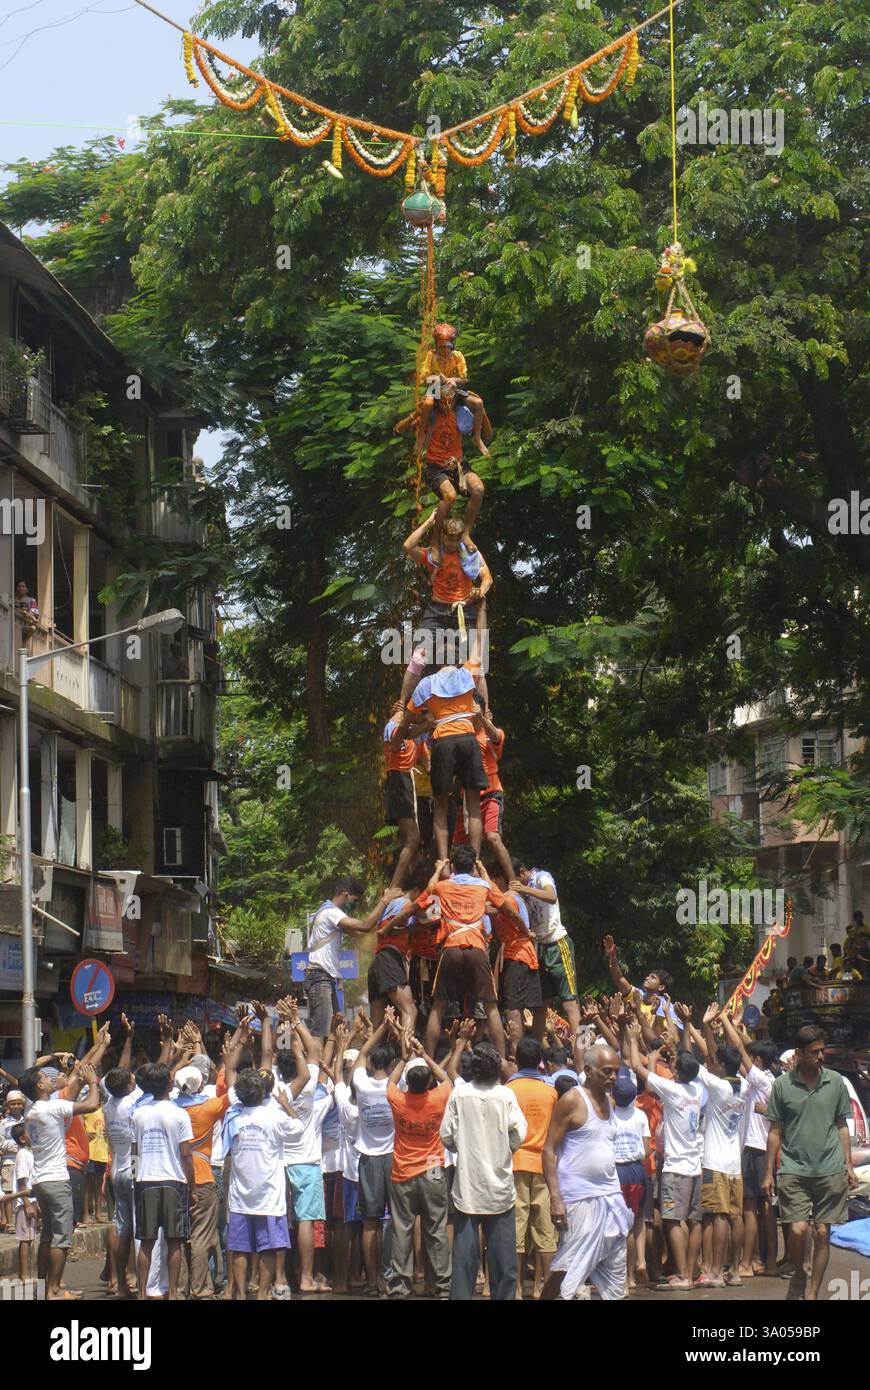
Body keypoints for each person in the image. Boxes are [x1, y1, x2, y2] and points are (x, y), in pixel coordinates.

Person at [389, 848, 521, 1058]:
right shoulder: (485, 886)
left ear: (453, 866)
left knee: (438, 1007)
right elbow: (509, 910)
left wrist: (439, 869)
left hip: (451, 948)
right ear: (473, 866)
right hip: (476, 948)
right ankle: (503, 1060)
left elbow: (415, 906)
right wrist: (526, 929)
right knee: (491, 1007)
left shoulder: (441, 886)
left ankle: (428, 1059)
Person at [762, 1024, 859, 1300]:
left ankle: (812, 1293)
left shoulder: (835, 1082)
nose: (820, 1056)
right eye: (814, 1052)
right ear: (800, 1053)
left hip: (829, 1169)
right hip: (793, 1168)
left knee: (822, 1233)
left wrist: (848, 1165)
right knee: (798, 1228)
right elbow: (775, 1131)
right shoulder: (782, 1086)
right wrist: (769, 1172)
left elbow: (841, 1125)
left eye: (822, 1050)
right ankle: (799, 1273)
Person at [541, 1043, 632, 1301]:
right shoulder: (572, 1100)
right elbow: (549, 1150)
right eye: (607, 1072)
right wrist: (556, 1198)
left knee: (616, 1272)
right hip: (579, 1199)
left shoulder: (611, 1102)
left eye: (616, 1071)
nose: (613, 1077)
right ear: (589, 1071)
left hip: (611, 1197)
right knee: (568, 1268)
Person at [440, 1040, 527, 1300]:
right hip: (500, 1190)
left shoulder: (459, 1093)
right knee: (504, 1266)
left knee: (464, 1265)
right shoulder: (506, 1095)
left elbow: (446, 1136)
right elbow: (519, 1135)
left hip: (468, 1188)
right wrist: (501, 1149)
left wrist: (466, 1147)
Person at [386, 1025, 463, 1299]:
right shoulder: (438, 1097)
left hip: (402, 1172)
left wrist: (406, 1058)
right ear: (428, 1080)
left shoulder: (397, 1099)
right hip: (432, 1170)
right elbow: (448, 1081)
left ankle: (400, 1286)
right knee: (436, 1229)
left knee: (401, 1230)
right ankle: (443, 1285)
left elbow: (390, 1082)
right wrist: (426, 1057)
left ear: (409, 1080)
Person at [626, 1021, 704, 1290]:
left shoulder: (673, 1090)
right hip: (695, 1167)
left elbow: (639, 1070)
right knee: (694, 1221)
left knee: (671, 1220)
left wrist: (640, 1046)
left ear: (678, 1072)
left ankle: (683, 1276)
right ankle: (690, 1273)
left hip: (676, 1167)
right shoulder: (697, 1089)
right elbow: (689, 1060)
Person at [20, 1060, 100, 1300]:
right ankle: (54, 1289)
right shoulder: (51, 1108)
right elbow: (92, 1104)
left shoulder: (31, 1112)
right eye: (45, 1077)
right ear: (39, 1085)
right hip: (56, 1178)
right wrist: (93, 1082)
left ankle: (46, 1287)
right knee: (62, 1238)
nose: (49, 1080)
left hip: (41, 1180)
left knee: (48, 1235)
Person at [222, 1068, 303, 1301]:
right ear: (263, 1093)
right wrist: (286, 1104)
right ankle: (262, 1293)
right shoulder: (274, 1116)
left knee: (240, 1247)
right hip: (268, 1196)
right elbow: (297, 1129)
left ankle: (239, 1293)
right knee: (267, 1247)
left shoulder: (232, 1116)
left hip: (240, 1197)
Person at [272, 999, 334, 1295]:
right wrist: (295, 1020)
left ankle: (280, 1277)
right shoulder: (307, 1086)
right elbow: (316, 1052)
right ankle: (307, 1277)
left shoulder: (272, 1087)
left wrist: (280, 1026)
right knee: (306, 1221)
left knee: (280, 1220)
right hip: (307, 1163)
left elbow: (269, 1054)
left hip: (279, 1164)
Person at [399, 513, 492, 709]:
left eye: (457, 539)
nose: (454, 543)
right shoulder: (435, 555)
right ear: (443, 536)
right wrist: (429, 522)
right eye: (450, 539)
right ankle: (401, 706)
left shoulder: (470, 554)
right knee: (419, 656)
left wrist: (479, 593)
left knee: (476, 662)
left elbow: (487, 579)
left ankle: (485, 713)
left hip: (464, 611)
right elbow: (408, 546)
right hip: (437, 610)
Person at [718, 1011, 779, 1277]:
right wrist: (735, 1028)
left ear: (759, 1062)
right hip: (756, 1150)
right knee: (756, 1209)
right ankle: (757, 1259)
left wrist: (724, 1021)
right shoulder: (766, 1080)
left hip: (756, 1151)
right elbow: (745, 1050)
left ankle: (749, 1261)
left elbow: (741, 1051)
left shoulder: (763, 1080)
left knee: (750, 1209)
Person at [130, 1061, 197, 1300]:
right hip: (173, 1182)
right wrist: (193, 1186)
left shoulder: (138, 1114)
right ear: (170, 1084)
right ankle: (174, 1294)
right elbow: (186, 1154)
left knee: (146, 1242)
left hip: (145, 1181)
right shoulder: (179, 1114)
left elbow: (134, 1151)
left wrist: (135, 1178)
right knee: (174, 1241)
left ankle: (141, 1293)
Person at [695, 1005, 747, 1288]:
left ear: (722, 1066)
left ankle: (714, 1271)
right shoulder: (743, 1086)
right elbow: (720, 1056)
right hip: (734, 1166)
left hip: (715, 1163)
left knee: (717, 1218)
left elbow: (708, 1055)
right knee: (734, 1217)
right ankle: (735, 1271)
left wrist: (704, 1027)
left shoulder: (719, 1087)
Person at [305, 878, 395, 1037]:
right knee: (322, 1031)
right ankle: (314, 1061)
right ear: (345, 895)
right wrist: (385, 901)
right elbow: (364, 926)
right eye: (354, 900)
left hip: (325, 978)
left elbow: (361, 933)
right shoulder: (331, 912)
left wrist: (387, 925)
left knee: (335, 1030)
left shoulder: (328, 913)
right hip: (320, 977)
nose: (354, 905)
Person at [506, 1037, 558, 1299]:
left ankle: (516, 1290)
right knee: (545, 1230)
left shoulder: (508, 1089)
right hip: (544, 1167)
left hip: (514, 1164)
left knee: (516, 1229)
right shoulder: (551, 1091)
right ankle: (545, 1288)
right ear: (540, 1061)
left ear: (516, 1057)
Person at [352, 1013, 398, 1295]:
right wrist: (393, 1027)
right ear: (391, 1065)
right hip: (394, 1158)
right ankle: (392, 1278)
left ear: (370, 1064)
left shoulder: (361, 1084)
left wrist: (380, 1026)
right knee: (396, 1220)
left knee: (370, 1222)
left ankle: (372, 1281)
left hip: (368, 1159)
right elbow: (405, 1059)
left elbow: (362, 1052)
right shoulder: (395, 1085)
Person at [511, 864, 581, 1034]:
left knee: (570, 1002)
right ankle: (537, 1052)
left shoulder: (542, 877)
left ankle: (582, 1048)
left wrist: (525, 889)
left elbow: (551, 896)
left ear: (521, 872)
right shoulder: (519, 892)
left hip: (557, 943)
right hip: (540, 948)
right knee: (540, 1003)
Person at [452, 698, 512, 881]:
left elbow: (496, 736)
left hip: (491, 792)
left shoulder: (490, 732)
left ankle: (513, 882)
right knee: (458, 843)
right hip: (468, 795)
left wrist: (482, 717)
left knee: (492, 837)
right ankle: (456, 880)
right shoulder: (463, 733)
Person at [418, 321, 490, 459]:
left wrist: (453, 380)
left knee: (478, 403)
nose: (444, 350)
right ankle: (421, 436)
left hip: (453, 390)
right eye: (441, 347)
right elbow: (424, 379)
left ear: (452, 345)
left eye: (447, 347)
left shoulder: (457, 356)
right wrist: (437, 378)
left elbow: (464, 379)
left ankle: (477, 437)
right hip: (435, 388)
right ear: (436, 345)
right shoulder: (431, 355)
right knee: (427, 404)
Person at [490, 864, 545, 1043]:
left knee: (512, 1008)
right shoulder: (516, 897)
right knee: (522, 1007)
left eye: (492, 880)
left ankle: (517, 1051)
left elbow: (510, 914)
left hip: (517, 955)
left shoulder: (507, 898)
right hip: (522, 954)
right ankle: (528, 1049)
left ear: (499, 879)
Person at [383, 699, 431, 890]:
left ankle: (411, 884)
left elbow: (428, 765)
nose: (427, 716)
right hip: (398, 778)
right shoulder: (394, 724)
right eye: (424, 712)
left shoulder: (417, 735)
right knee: (413, 838)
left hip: (408, 782)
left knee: (414, 840)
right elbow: (395, 745)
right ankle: (394, 887)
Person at [369, 873, 424, 1033]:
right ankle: (408, 1053)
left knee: (376, 1020)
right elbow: (423, 916)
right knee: (409, 1010)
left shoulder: (389, 905)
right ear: (415, 890)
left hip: (378, 960)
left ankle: (368, 1056)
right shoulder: (406, 904)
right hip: (390, 958)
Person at [611, 1075, 651, 1289]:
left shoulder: (610, 1115)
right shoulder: (641, 1115)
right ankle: (641, 1262)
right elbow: (646, 1150)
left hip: (616, 1172)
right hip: (637, 1171)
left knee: (621, 1225)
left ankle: (625, 1277)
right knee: (639, 1219)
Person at [0, 1088, 26, 1232]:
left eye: (18, 1103)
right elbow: (1, 1143)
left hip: (23, 1160)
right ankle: (10, 1223)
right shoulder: (3, 1124)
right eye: (12, 1104)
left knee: (23, 1189)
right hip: (9, 1161)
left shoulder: (26, 1120)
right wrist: (16, 1145)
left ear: (22, 1104)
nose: (16, 1106)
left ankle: (21, 1221)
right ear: (8, 1106)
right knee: (9, 1191)